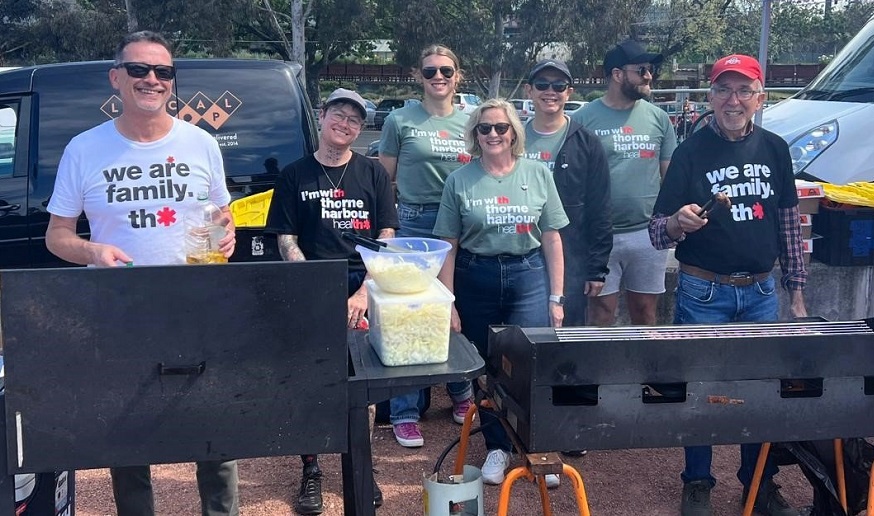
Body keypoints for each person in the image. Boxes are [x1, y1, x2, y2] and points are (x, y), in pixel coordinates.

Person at [44, 30, 239, 516]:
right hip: (121, 308)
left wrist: (226, 235)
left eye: (163, 72)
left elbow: (221, 216)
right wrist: (92, 253)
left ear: (172, 82)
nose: (151, 79)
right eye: (138, 70)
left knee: (211, 424)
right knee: (129, 430)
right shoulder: (85, 149)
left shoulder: (201, 144)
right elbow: (57, 236)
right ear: (116, 78)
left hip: (196, 301)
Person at [648, 54, 807, 516]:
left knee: (758, 396)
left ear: (759, 98)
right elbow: (657, 231)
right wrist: (678, 223)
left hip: (761, 294)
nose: (732, 101)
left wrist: (795, 291)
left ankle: (758, 485)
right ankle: (697, 482)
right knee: (699, 394)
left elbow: (788, 225)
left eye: (743, 91)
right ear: (710, 97)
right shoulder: (690, 152)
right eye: (723, 90)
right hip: (703, 294)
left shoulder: (776, 149)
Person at [265, 88, 396, 515]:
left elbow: (387, 237)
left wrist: (363, 292)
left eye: (354, 120)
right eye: (338, 115)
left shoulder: (373, 173)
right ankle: (312, 468)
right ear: (322, 117)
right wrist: (314, 286)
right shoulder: (295, 174)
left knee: (365, 386)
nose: (345, 124)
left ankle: (362, 467)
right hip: (311, 287)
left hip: (363, 286)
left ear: (361, 129)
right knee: (311, 380)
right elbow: (286, 236)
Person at [433, 98, 569, 488]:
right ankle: (497, 445)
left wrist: (556, 298)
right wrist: (450, 301)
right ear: (475, 135)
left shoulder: (538, 173)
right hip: (476, 275)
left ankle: (534, 446)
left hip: (527, 275)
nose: (493, 134)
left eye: (501, 127)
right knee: (487, 365)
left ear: (514, 133)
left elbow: (553, 238)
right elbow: (448, 244)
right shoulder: (459, 179)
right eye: (484, 128)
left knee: (531, 363)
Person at [378, 44, 473, 448]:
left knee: (455, 309)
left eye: (446, 71)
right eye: (430, 71)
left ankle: (460, 393)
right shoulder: (400, 120)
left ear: (458, 75)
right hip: (415, 221)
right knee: (410, 315)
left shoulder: (473, 122)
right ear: (419, 75)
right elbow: (385, 181)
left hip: (464, 222)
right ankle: (404, 410)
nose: (438, 77)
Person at [572, 39, 678, 327]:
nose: (649, 76)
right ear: (617, 75)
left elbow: (670, 177)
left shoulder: (659, 118)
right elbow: (573, 181)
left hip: (647, 235)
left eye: (651, 69)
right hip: (599, 238)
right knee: (600, 316)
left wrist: (671, 224)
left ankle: (644, 372)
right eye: (642, 69)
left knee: (645, 314)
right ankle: (602, 373)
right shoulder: (582, 119)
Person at [523, 59, 612, 327]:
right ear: (529, 91)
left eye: (559, 85)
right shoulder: (511, 139)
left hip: (572, 258)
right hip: (523, 257)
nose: (550, 91)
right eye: (542, 85)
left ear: (569, 92)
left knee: (565, 334)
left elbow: (600, 208)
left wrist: (596, 269)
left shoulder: (587, 143)